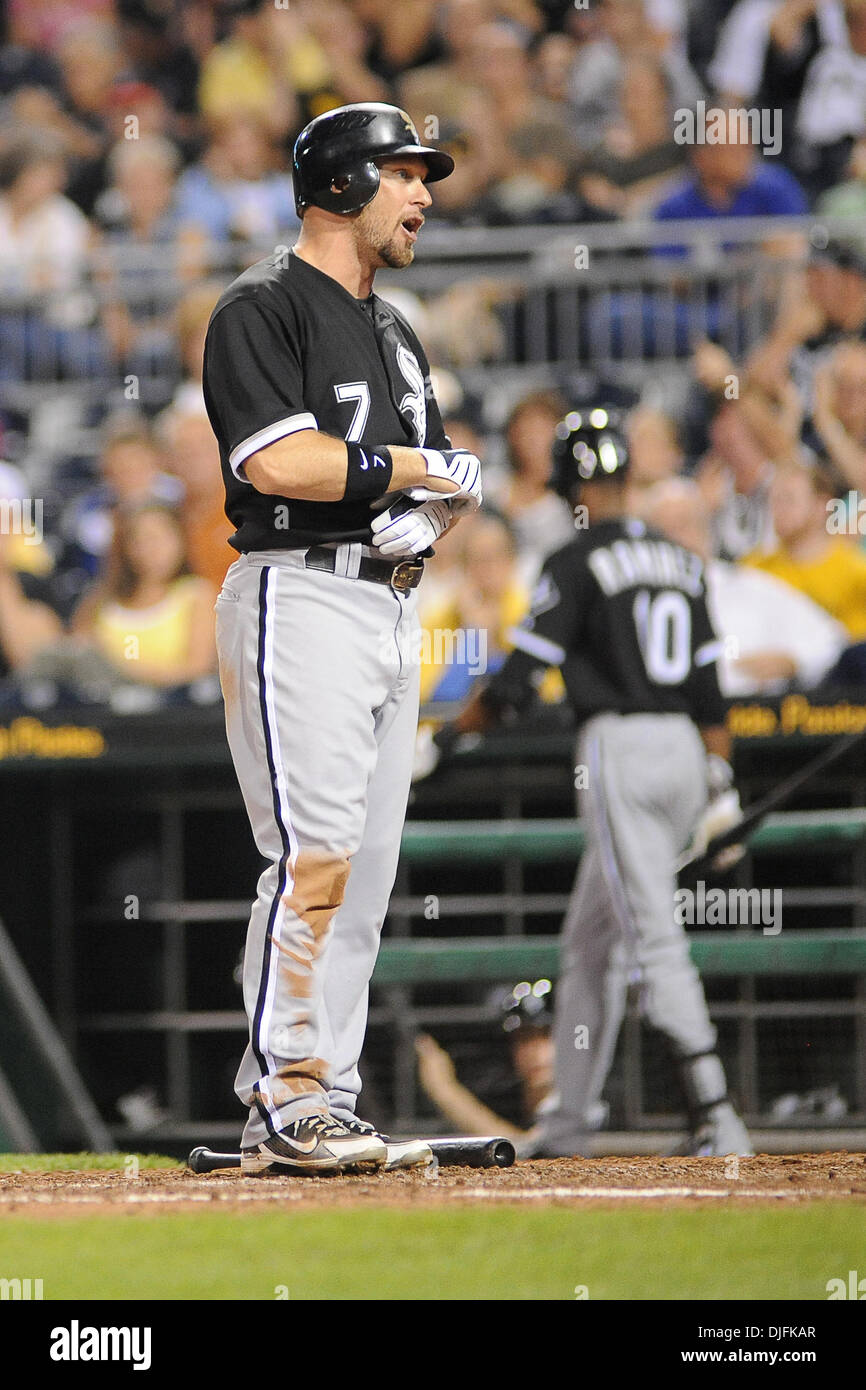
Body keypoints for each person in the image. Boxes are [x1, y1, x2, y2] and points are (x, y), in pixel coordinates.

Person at [203, 102, 482, 1176]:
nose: (422, 194)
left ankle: (329, 1091)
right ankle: (285, 1091)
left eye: (423, 176)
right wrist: (418, 474)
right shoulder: (261, 306)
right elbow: (281, 464)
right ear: (339, 186)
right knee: (311, 855)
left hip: (386, 603)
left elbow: (427, 469)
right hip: (298, 596)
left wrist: (435, 502)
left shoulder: (398, 328)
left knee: (362, 872)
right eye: (404, 174)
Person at [422, 409, 753, 1158]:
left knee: (652, 935)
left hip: (621, 748)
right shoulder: (680, 558)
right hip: (687, 753)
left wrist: (441, 740)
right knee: (590, 943)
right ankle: (570, 1120)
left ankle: (717, 1113)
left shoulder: (574, 562)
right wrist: (721, 782)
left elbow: (516, 684)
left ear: (574, 486)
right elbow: (711, 697)